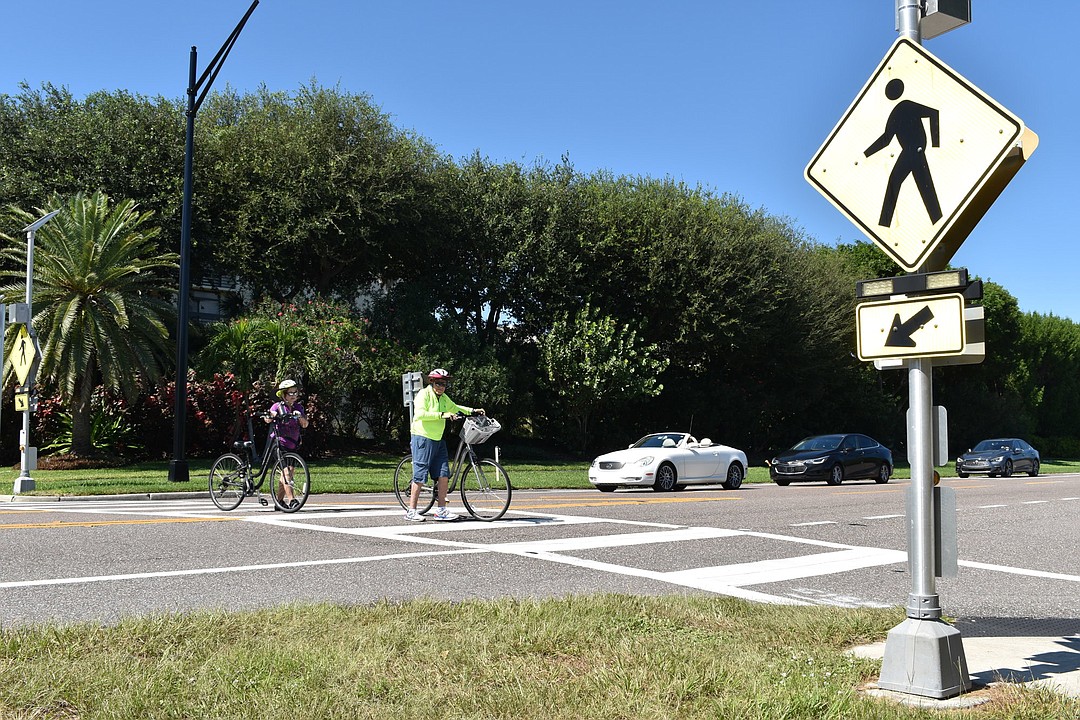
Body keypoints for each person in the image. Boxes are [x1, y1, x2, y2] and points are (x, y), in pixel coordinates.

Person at [405, 368, 484, 522]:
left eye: (444, 383)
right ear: (432, 382)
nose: (442, 386)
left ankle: (441, 510)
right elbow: (420, 414)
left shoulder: (444, 398)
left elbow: (456, 408)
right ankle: (411, 511)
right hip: (422, 437)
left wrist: (473, 411)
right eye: (439, 383)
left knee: (443, 474)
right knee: (420, 475)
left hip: (438, 439)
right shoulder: (423, 394)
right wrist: (442, 415)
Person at [267, 379, 310, 510]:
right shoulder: (277, 406)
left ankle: (279, 502)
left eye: (295, 392)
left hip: (292, 445)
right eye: (290, 393)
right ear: (284, 395)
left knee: (287, 474)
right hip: (279, 443)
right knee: (287, 472)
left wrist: (300, 416)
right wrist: (272, 415)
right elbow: (267, 419)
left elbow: (305, 424)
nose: (294, 395)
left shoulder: (298, 408)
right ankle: (292, 500)